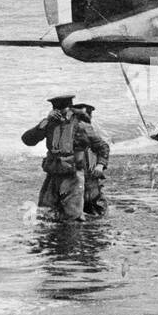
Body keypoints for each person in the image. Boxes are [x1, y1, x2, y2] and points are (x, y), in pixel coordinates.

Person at [20, 93, 109, 222]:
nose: (58, 114)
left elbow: (102, 146)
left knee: (72, 215)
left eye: (62, 110)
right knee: (45, 213)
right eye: (55, 110)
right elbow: (27, 140)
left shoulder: (80, 125)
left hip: (72, 176)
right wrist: (42, 124)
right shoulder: (49, 124)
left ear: (69, 109)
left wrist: (100, 165)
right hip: (53, 175)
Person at [71, 103, 110, 217]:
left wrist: (100, 165)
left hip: (88, 174)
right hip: (77, 173)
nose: (89, 117)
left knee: (93, 205)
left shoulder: (87, 129)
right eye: (87, 114)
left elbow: (103, 147)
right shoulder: (78, 128)